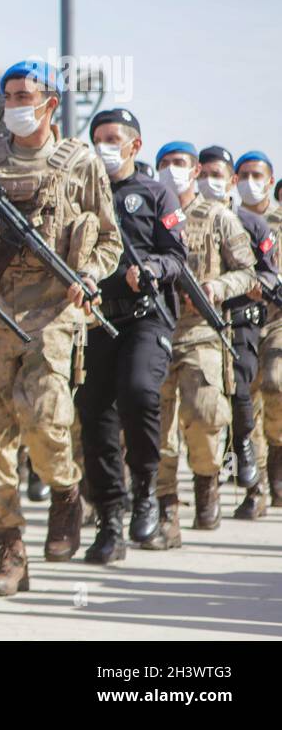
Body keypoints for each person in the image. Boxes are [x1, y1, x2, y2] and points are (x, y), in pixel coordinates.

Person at [0, 60, 121, 595]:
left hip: (54, 310)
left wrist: (89, 276)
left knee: (46, 421)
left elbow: (108, 240)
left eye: (24, 95)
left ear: (51, 104)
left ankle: (66, 490)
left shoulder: (81, 163)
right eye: (7, 96)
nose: (13, 105)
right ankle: (10, 549)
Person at [75, 109, 186, 562]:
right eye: (97, 137)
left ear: (134, 146)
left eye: (112, 138)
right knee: (94, 411)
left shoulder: (157, 194)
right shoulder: (81, 191)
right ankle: (109, 518)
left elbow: (177, 257)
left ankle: (145, 492)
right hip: (97, 318)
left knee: (139, 392)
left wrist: (154, 269)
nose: (104, 144)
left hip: (146, 316)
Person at [151, 142, 255, 542]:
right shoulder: (153, 212)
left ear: (194, 171)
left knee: (205, 416)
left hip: (202, 333)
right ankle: (166, 511)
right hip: (157, 330)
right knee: (157, 427)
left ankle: (206, 483)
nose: (170, 170)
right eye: (164, 164)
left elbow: (249, 272)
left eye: (179, 164)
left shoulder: (218, 218)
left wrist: (217, 286)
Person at [196, 145, 274, 519]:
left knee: (243, 392)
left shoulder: (250, 223)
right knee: (211, 405)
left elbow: (269, 274)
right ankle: (213, 482)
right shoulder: (188, 218)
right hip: (199, 323)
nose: (211, 182)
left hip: (241, 319)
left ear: (231, 181)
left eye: (219, 175)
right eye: (204, 173)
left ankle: (250, 465)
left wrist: (252, 284)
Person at [235, 151, 282, 506]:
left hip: (278, 320)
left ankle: (277, 460)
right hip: (241, 319)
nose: (251, 181)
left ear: (270, 180)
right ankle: (257, 486)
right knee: (246, 403)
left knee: (275, 384)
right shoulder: (230, 219)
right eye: (245, 174)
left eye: (258, 175)